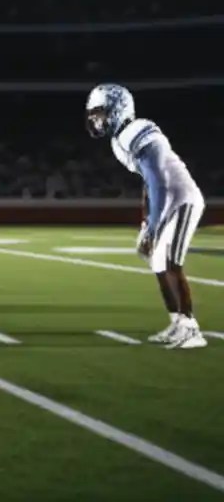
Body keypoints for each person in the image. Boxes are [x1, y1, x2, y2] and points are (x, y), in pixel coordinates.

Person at [86, 84, 207, 349]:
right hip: (167, 201)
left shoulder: (137, 129)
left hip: (182, 198)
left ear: (117, 109)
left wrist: (154, 226)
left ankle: (191, 329)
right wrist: (146, 222)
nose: (96, 119)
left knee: (172, 262)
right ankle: (177, 322)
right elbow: (148, 183)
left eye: (100, 112)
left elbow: (159, 180)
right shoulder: (119, 141)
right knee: (157, 262)